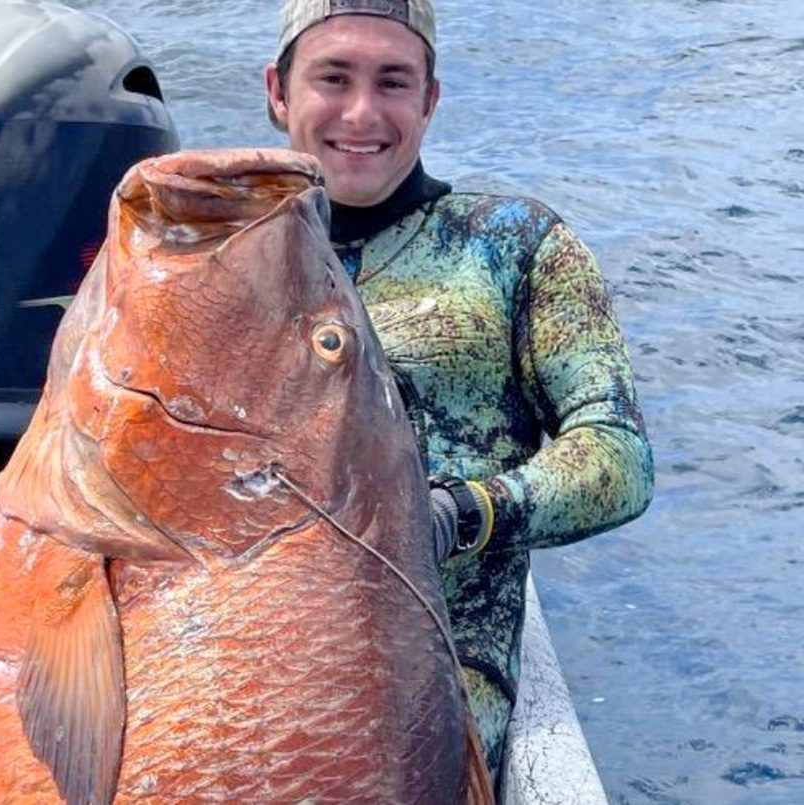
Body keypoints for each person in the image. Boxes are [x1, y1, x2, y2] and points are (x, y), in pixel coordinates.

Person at [264, 0, 654, 789]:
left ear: (430, 99)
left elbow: (620, 456)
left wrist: (458, 513)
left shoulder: (514, 247)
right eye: (333, 78)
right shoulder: (226, 265)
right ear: (278, 91)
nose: (362, 113)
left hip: (435, 688)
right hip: (248, 656)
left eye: (393, 82)